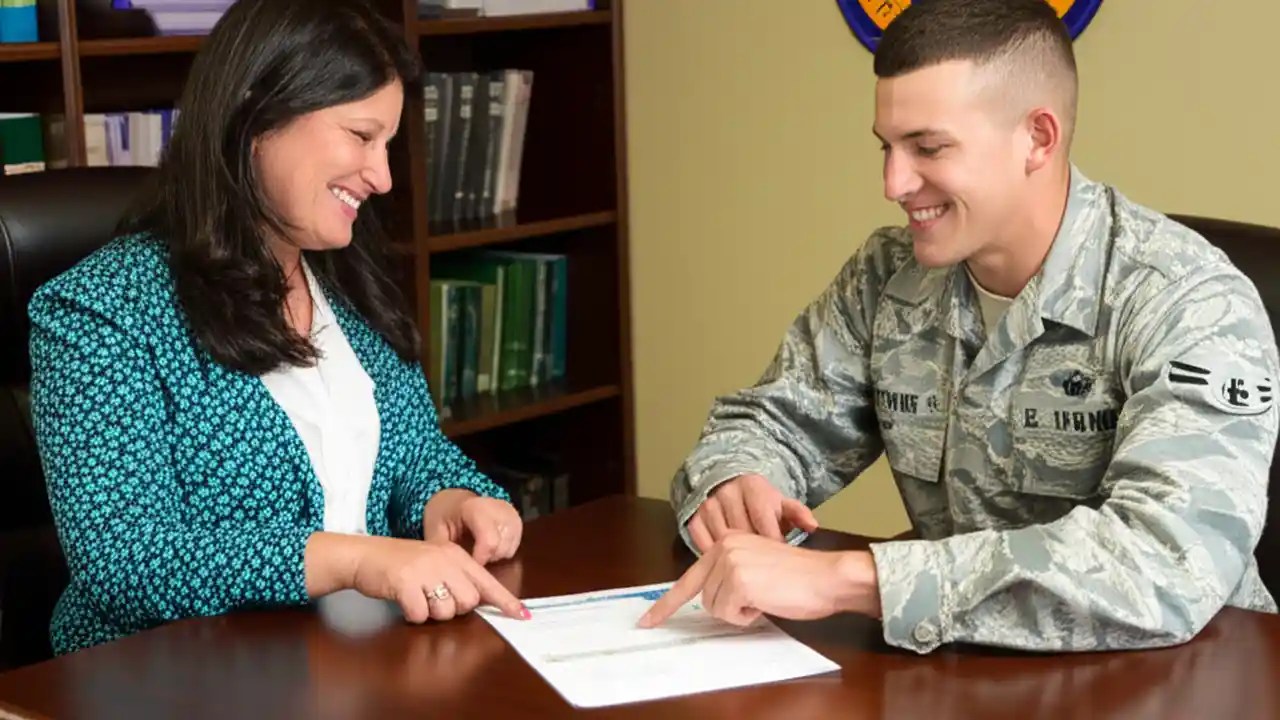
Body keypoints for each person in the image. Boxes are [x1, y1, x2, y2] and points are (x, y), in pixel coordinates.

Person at [639, 0, 1279, 654]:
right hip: (960, 674)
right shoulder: (886, 278)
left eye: (928, 147)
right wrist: (735, 481)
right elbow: (769, 422)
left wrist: (855, 579)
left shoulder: (1187, 301)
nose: (894, 182)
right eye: (887, 147)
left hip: (1176, 676)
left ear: (1038, 138)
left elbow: (1167, 562)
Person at [27, 0, 530, 657]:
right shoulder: (100, 312)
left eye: (388, 145)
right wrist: (354, 561)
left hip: (356, 666)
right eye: (360, 137)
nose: (381, 176)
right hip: (171, 683)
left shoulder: (348, 282)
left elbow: (415, 458)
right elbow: (127, 560)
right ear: (255, 114)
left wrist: (453, 501)